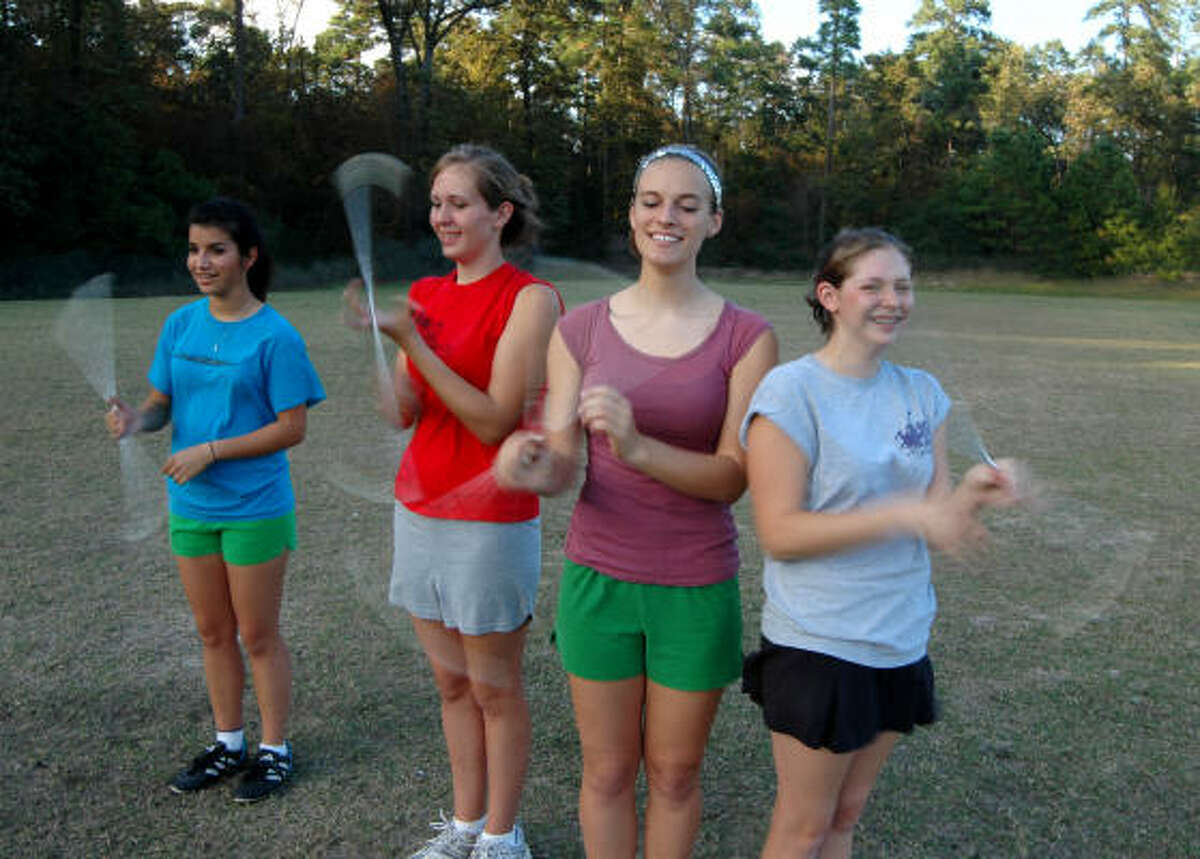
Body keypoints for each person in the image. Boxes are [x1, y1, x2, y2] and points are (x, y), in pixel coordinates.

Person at [496, 144, 778, 858]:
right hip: (600, 580)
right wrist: (535, 463)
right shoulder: (579, 328)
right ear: (630, 216)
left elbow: (732, 478)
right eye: (651, 201)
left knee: (676, 774)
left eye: (688, 205)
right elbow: (563, 463)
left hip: (695, 584)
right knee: (609, 769)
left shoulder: (748, 337)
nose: (667, 217)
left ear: (713, 222)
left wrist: (637, 444)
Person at [739, 228, 1021, 858]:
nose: (893, 299)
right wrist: (902, 515)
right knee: (803, 826)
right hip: (822, 644)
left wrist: (976, 491)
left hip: (899, 636)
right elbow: (780, 533)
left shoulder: (922, 392)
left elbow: (936, 515)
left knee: (846, 815)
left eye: (903, 285)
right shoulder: (790, 393)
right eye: (873, 285)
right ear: (830, 296)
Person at [343, 144, 562, 859]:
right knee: (450, 684)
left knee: (495, 688)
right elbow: (402, 410)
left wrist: (412, 338)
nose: (443, 215)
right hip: (421, 508)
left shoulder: (530, 299)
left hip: (490, 520)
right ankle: (465, 825)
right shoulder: (428, 295)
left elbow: (497, 418)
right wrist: (386, 343)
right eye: (437, 202)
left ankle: (504, 835)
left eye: (459, 202)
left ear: (500, 213)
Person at [106, 197, 326, 803]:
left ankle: (275, 749)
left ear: (248, 257)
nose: (202, 261)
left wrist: (212, 451)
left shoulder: (276, 335)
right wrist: (136, 420)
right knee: (211, 631)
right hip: (192, 507)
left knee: (257, 634)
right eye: (195, 248)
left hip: (255, 506)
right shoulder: (180, 324)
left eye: (217, 249)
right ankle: (229, 742)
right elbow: (160, 405)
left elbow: (291, 427)